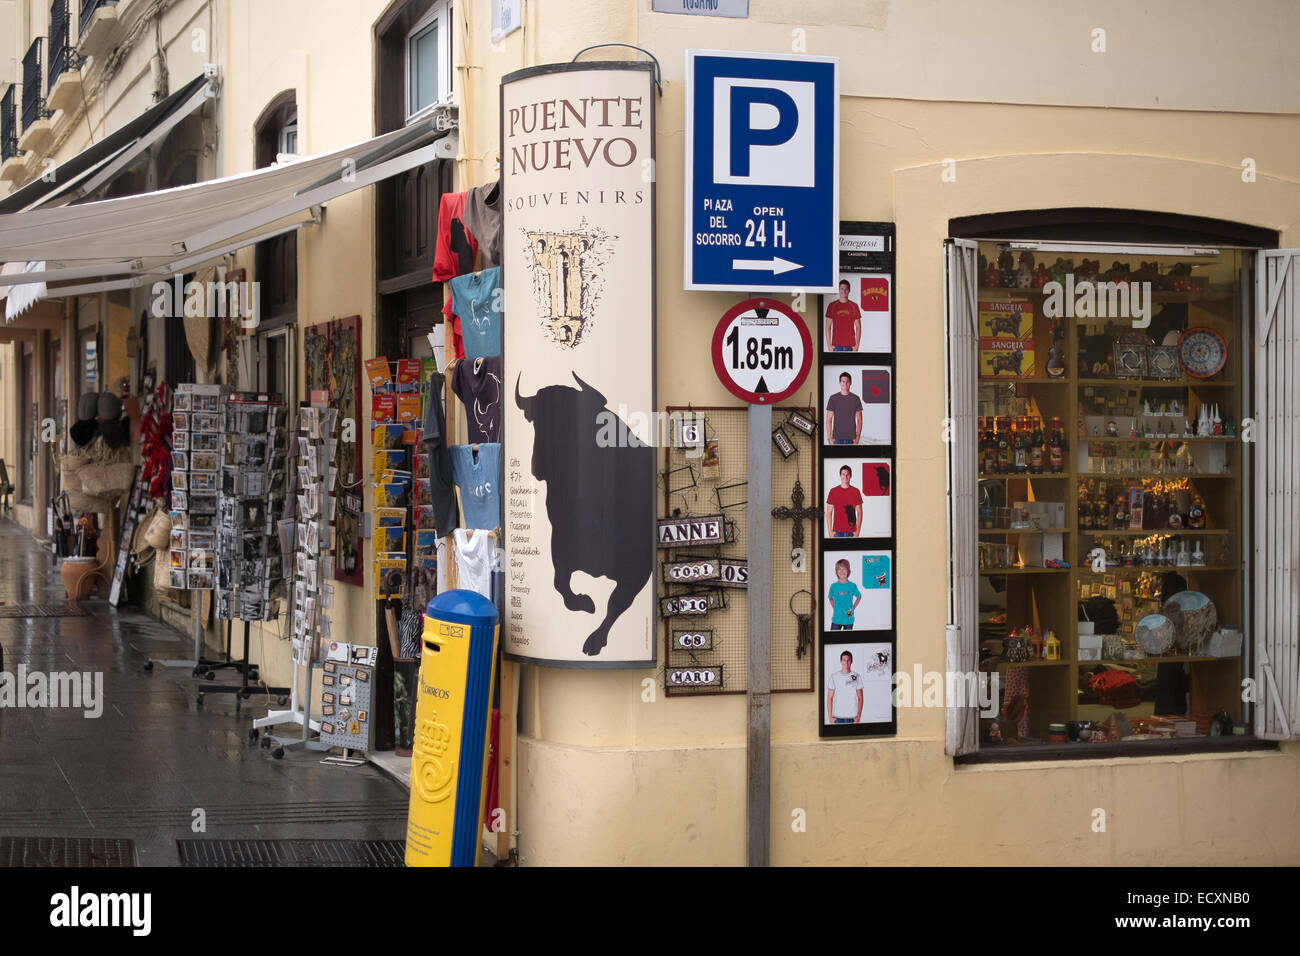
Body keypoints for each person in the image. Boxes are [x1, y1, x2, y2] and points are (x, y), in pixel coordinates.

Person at [826, 649, 863, 723]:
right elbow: (830, 698)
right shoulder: (834, 677)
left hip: (853, 718)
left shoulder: (856, 676)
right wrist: (830, 717)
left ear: (851, 661)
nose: (846, 662)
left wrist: (858, 716)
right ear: (841, 661)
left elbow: (860, 698)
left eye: (848, 660)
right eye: (844, 660)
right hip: (838, 718)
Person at [825, 372, 862, 445]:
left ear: (850, 383)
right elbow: (829, 419)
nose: (845, 384)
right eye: (843, 381)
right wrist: (830, 438)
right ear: (840, 382)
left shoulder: (856, 399)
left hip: (852, 439)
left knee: (851, 457)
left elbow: (859, 419)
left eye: (847, 381)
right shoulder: (833, 398)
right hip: (837, 439)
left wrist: (857, 438)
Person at [826, 465, 863, 538]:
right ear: (840, 475)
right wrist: (830, 531)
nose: (845, 477)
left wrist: (858, 531)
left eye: (847, 474)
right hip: (837, 532)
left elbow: (860, 512)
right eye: (843, 474)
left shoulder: (856, 491)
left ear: (850, 476)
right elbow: (829, 512)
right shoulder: (833, 491)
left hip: (852, 532)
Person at [825, 279, 862, 351]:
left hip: (851, 346)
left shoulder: (854, 306)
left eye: (846, 289)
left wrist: (856, 345)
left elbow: (858, 327)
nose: (844, 291)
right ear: (839, 290)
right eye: (841, 289)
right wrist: (829, 345)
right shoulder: (832, 306)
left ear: (849, 291)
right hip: (836, 346)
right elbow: (828, 327)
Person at [827, 558, 861, 629]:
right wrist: (835, 607)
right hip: (836, 620)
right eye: (839, 569)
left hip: (848, 620)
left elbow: (859, 597)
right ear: (836, 571)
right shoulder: (833, 586)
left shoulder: (852, 586)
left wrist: (853, 608)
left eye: (844, 569)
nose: (842, 571)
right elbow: (830, 598)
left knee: (847, 640)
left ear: (848, 571)